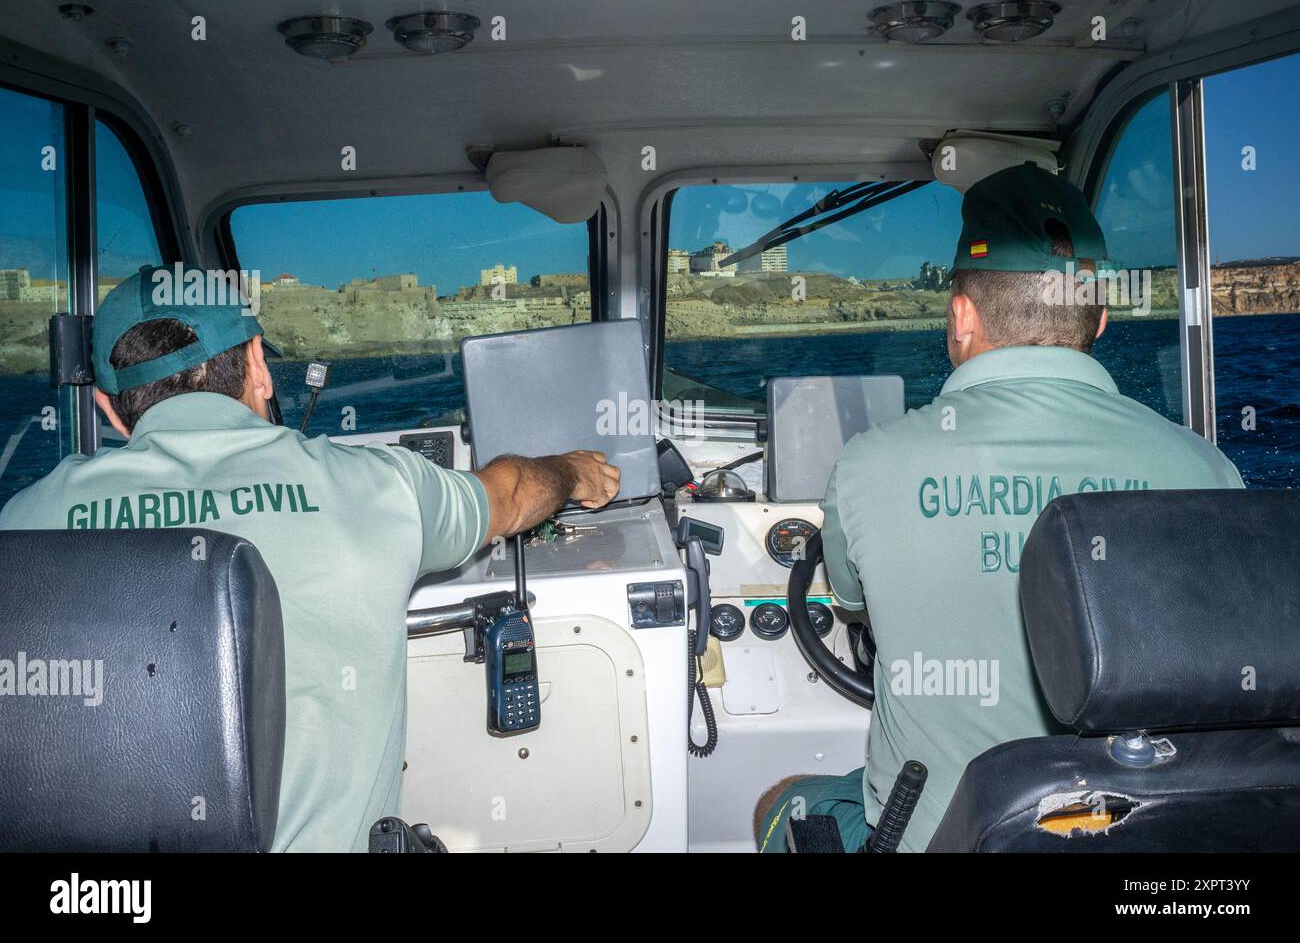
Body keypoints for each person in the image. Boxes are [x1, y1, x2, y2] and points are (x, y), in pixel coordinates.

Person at [0, 264, 620, 851]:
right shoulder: (378, 486)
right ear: (258, 366)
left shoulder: (24, 521)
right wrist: (573, 470)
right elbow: (508, 495)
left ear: (109, 408)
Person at [754, 162, 1244, 853]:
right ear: (1100, 317)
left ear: (961, 315)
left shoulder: (868, 466)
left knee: (782, 799)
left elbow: (853, 601)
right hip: (1147, 849)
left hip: (940, 841)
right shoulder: (1210, 472)